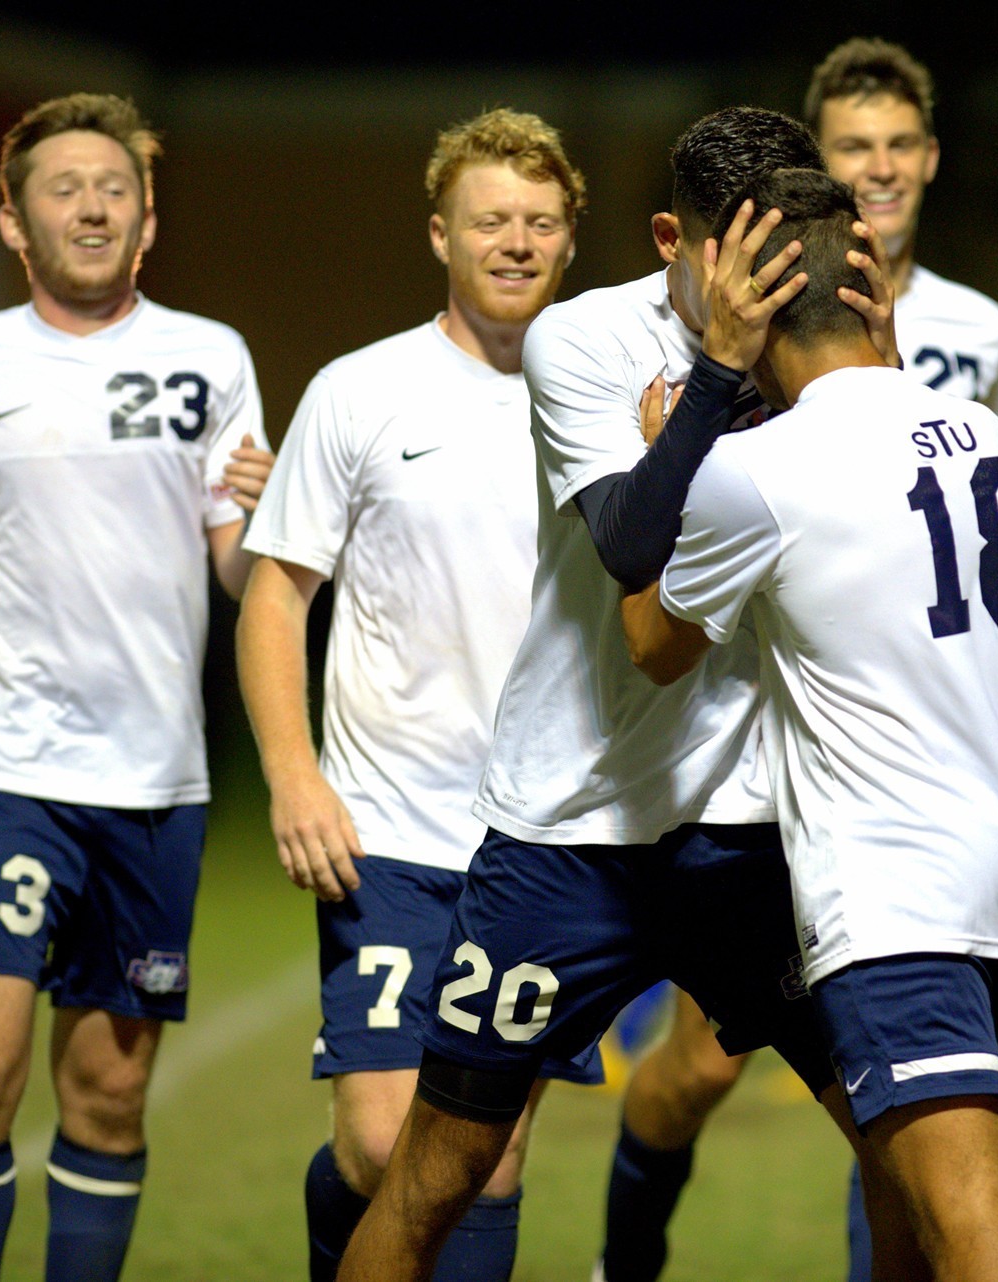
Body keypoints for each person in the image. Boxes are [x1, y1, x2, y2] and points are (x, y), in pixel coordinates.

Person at [331, 106, 923, 1282]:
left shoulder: (833, 342)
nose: (767, 283)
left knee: (902, 1146)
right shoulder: (584, 342)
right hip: (570, 828)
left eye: (782, 253)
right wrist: (716, 376)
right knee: (436, 1169)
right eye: (737, 253)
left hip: (747, 831)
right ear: (673, 240)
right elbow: (630, 547)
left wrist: (873, 371)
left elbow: (879, 518)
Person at [0, 93, 273, 1282]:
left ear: (145, 218)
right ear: (16, 222)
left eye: (113, 187)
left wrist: (278, 521)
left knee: (111, 1092)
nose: (91, 204)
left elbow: (239, 564)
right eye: (64, 187)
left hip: (151, 778)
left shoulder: (208, 358)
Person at [600, 39, 998, 1282]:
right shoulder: (984, 430)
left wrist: (686, 441)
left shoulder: (766, 454)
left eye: (896, 149)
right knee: (908, 1178)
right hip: (994, 846)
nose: (875, 174)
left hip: (886, 869)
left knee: (968, 1229)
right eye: (849, 154)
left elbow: (647, 631)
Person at [234, 108, 598, 1282]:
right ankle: (331, 1219)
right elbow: (276, 593)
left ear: (570, 242)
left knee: (484, 1159)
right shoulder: (361, 390)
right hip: (388, 830)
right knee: (387, 1142)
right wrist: (295, 775)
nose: (516, 241)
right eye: (491, 219)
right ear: (440, 232)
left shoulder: (612, 396)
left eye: (540, 222)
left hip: (548, 837)